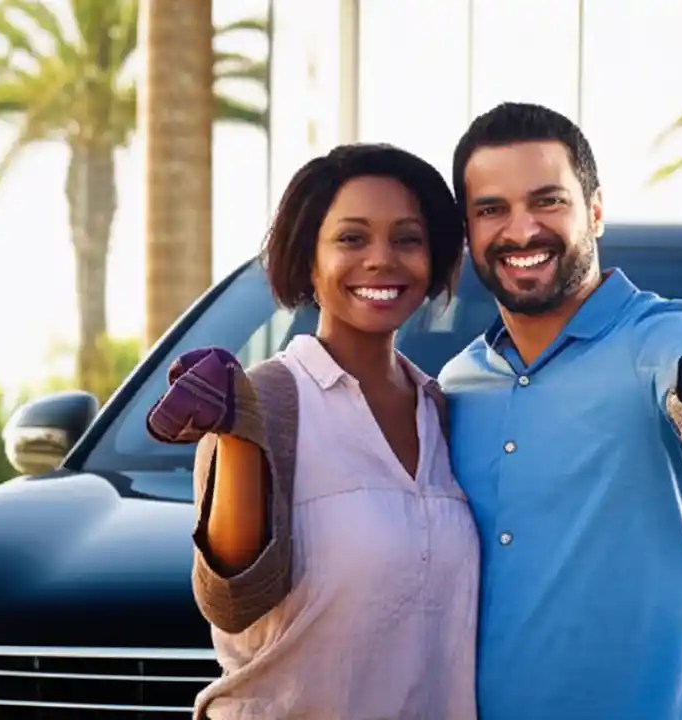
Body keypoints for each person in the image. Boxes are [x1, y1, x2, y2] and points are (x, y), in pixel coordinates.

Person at [438, 102, 682, 719]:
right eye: (492, 209)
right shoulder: (458, 383)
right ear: (468, 232)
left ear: (595, 211)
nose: (520, 232)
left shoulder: (662, 336)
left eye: (548, 201)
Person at [146, 143, 480, 720]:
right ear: (307, 259)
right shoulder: (264, 402)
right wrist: (235, 430)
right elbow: (234, 600)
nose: (382, 259)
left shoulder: (445, 413)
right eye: (352, 238)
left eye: (408, 238)